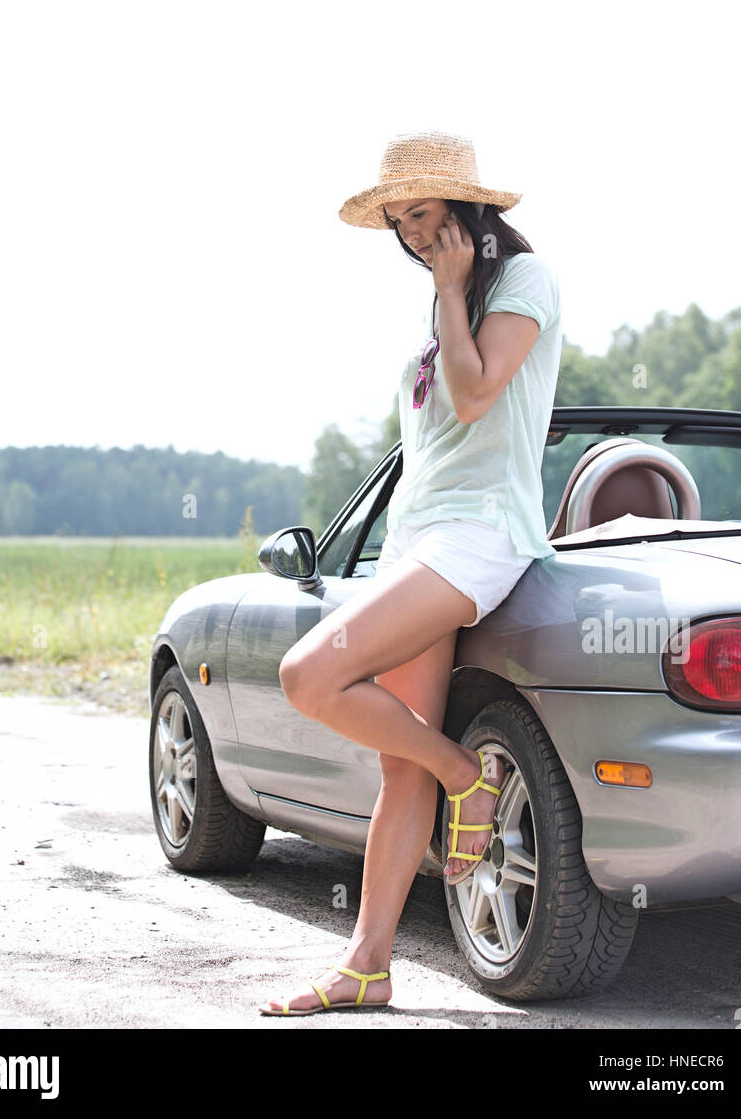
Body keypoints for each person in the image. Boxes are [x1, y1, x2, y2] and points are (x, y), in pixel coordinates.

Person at [258, 131, 562, 1016]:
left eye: (423, 215)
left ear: (467, 209)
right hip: (418, 539)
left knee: (307, 674)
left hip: (480, 536)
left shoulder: (522, 285)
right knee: (401, 768)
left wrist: (454, 291)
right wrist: (448, 298)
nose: (413, 235)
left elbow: (476, 398)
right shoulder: (446, 304)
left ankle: (465, 775)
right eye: (400, 221)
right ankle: (367, 965)